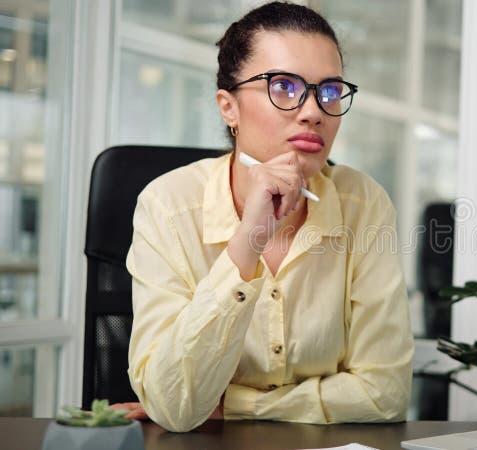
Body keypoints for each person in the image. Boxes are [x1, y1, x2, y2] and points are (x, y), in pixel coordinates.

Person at [112, 1, 414, 433]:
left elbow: (385, 392)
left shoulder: (363, 203)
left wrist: (234, 404)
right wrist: (247, 242)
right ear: (228, 107)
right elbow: (173, 405)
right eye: (284, 87)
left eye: (329, 91)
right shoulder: (168, 205)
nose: (314, 112)